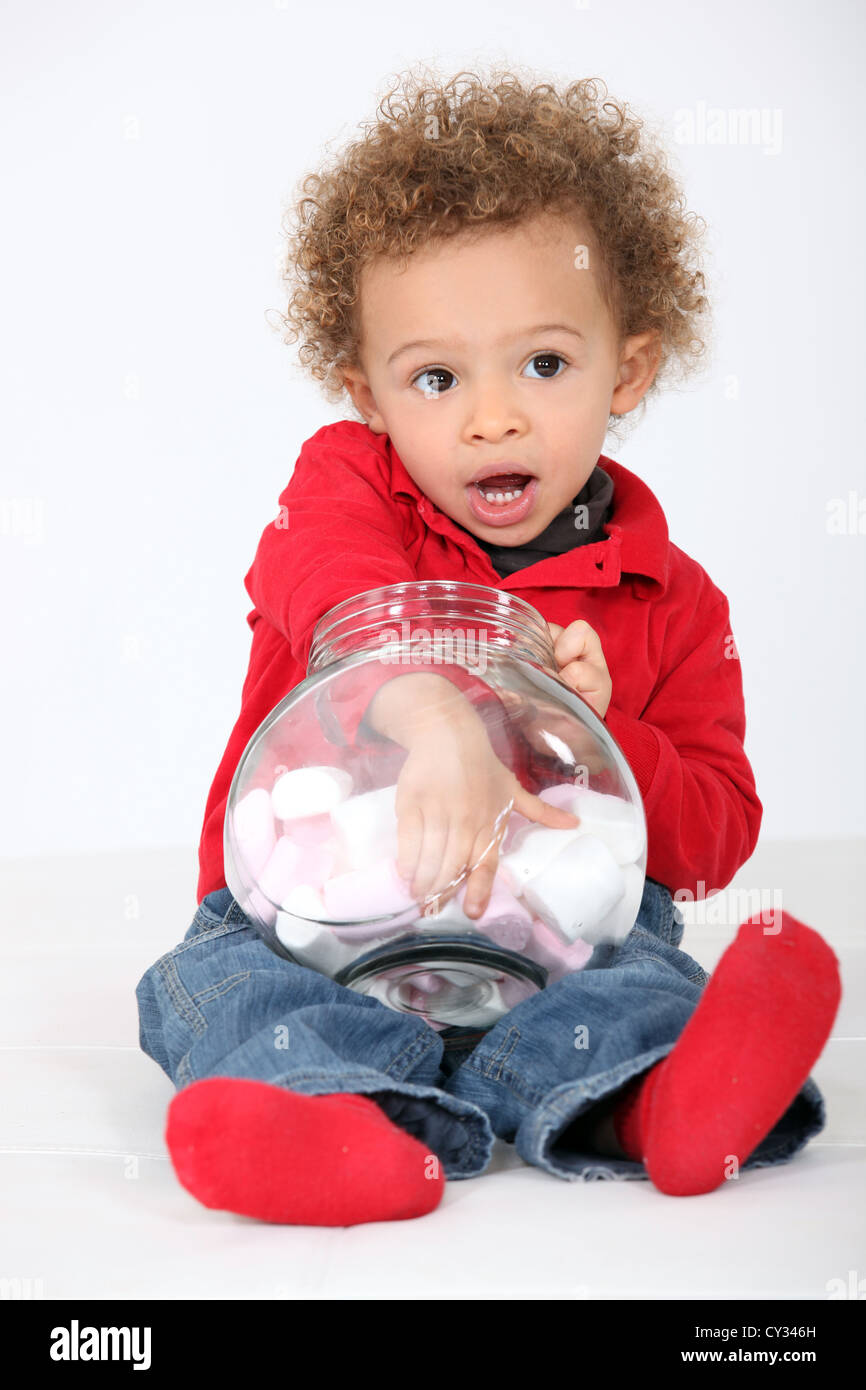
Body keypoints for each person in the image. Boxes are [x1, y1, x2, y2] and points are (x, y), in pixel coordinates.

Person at [136, 68, 840, 1226]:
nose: (490, 416)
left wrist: (603, 734)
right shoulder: (347, 489)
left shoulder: (675, 599)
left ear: (630, 370)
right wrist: (427, 709)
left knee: (634, 989)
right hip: (309, 922)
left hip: (560, 941)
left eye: (544, 365)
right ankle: (343, 1132)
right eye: (434, 377)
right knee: (213, 986)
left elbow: (712, 835)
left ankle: (658, 1107)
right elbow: (327, 583)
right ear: (368, 396)